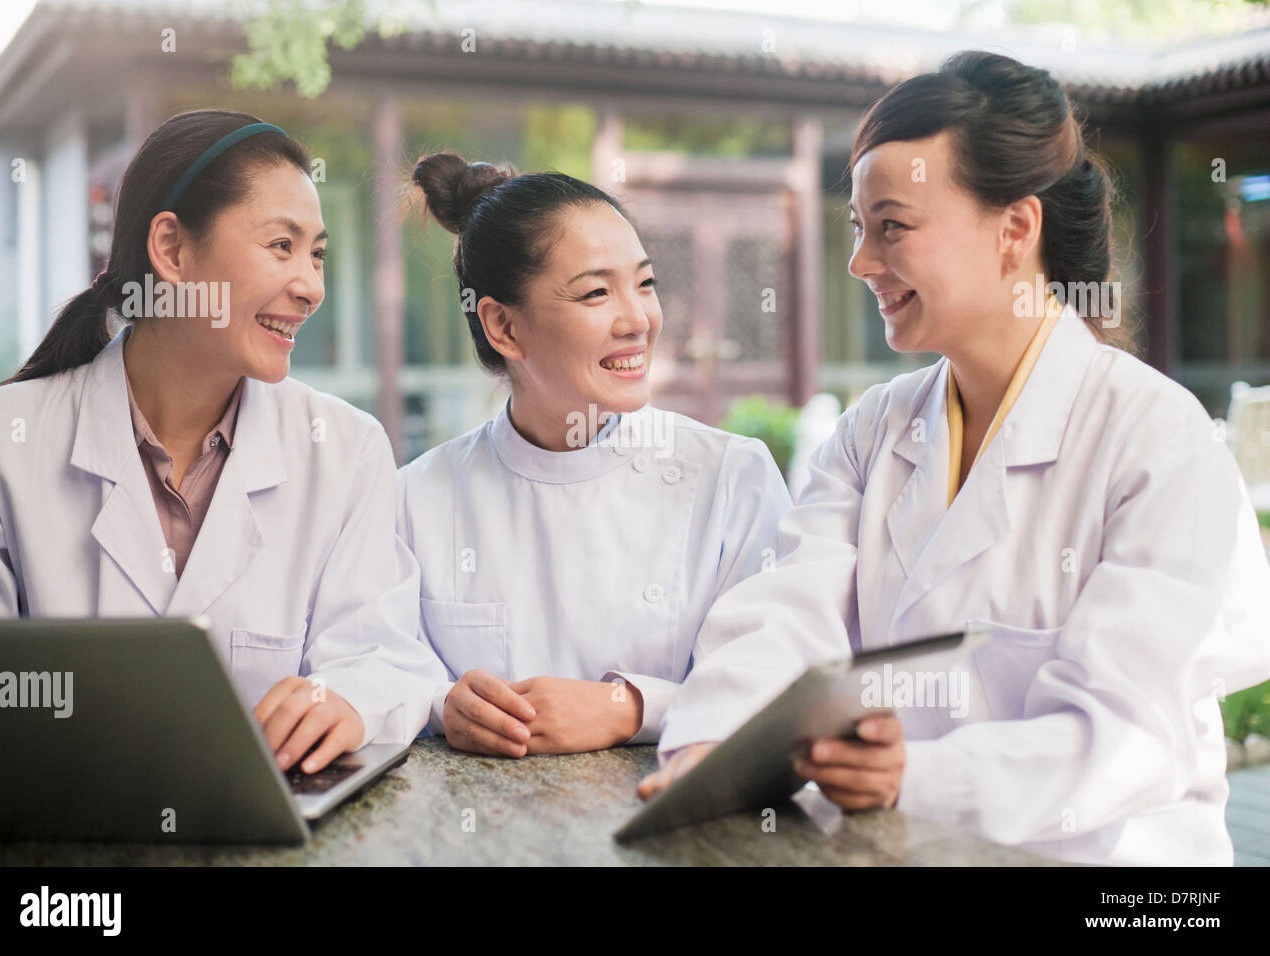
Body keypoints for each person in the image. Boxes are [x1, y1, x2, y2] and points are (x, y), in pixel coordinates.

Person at [638, 51, 1270, 866]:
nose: (864, 263)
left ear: (1015, 230)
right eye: (860, 230)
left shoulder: (1156, 440)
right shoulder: (876, 431)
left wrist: (917, 775)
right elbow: (788, 613)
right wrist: (711, 748)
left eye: (892, 226)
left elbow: (1125, 734)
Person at [0, 109, 446, 773]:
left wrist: (345, 699)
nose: (311, 287)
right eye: (281, 246)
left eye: (317, 254)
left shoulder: (344, 449)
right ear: (171, 250)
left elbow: (386, 656)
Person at [398, 154, 793, 756]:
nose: (638, 318)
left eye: (645, 283)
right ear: (503, 326)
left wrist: (630, 708)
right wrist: (441, 702)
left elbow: (778, 677)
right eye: (596, 293)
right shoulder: (416, 498)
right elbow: (375, 661)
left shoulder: (732, 477)